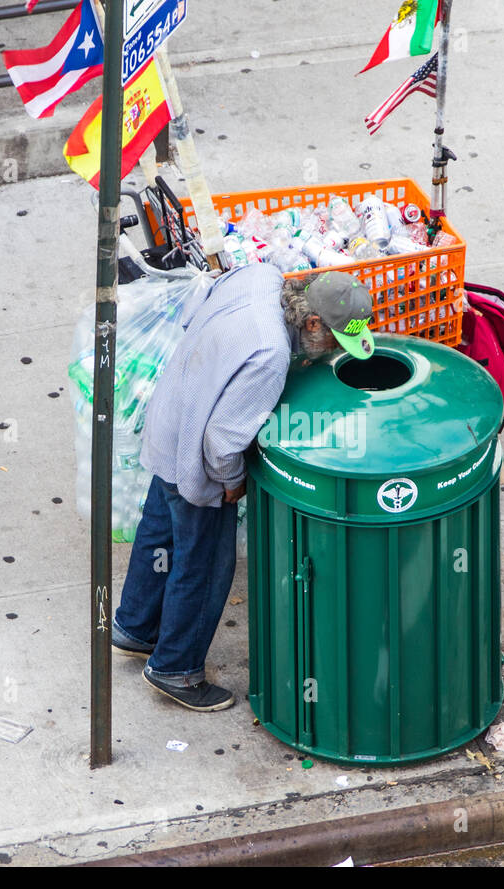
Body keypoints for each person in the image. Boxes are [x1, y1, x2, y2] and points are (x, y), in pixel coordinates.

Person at [111, 265, 376, 711]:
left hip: (170, 416)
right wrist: (233, 482)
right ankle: (176, 668)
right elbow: (222, 440)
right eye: (333, 339)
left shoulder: (261, 276)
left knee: (159, 531)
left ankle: (134, 627)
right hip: (196, 452)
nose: (330, 352)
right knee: (206, 563)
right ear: (312, 322)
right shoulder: (272, 354)